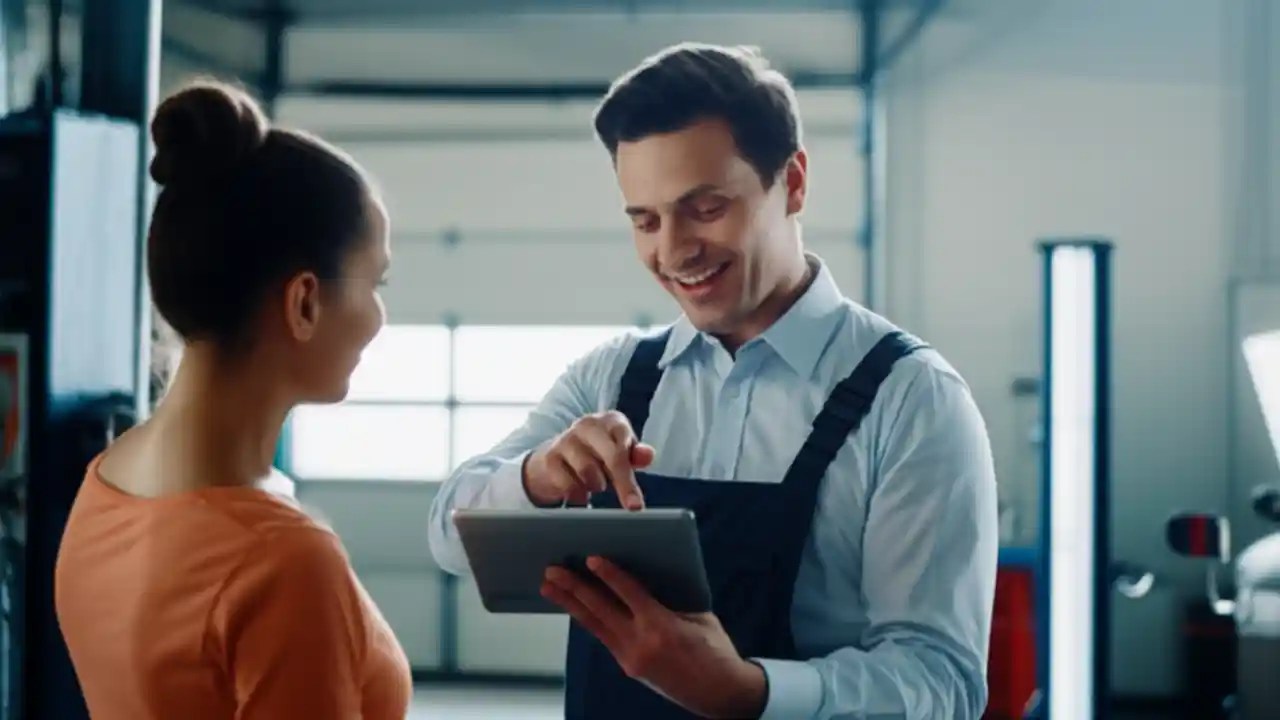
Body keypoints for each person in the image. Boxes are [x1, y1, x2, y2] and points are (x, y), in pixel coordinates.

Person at [429, 43, 998, 719]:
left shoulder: (911, 402)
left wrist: (749, 693)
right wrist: (541, 476)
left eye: (705, 208)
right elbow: (448, 537)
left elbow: (944, 685)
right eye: (645, 220)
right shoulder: (611, 379)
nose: (672, 251)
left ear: (792, 183)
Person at [54, 80, 411, 720]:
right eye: (375, 282)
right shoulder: (283, 561)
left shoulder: (105, 486)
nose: (381, 318)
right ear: (305, 302)